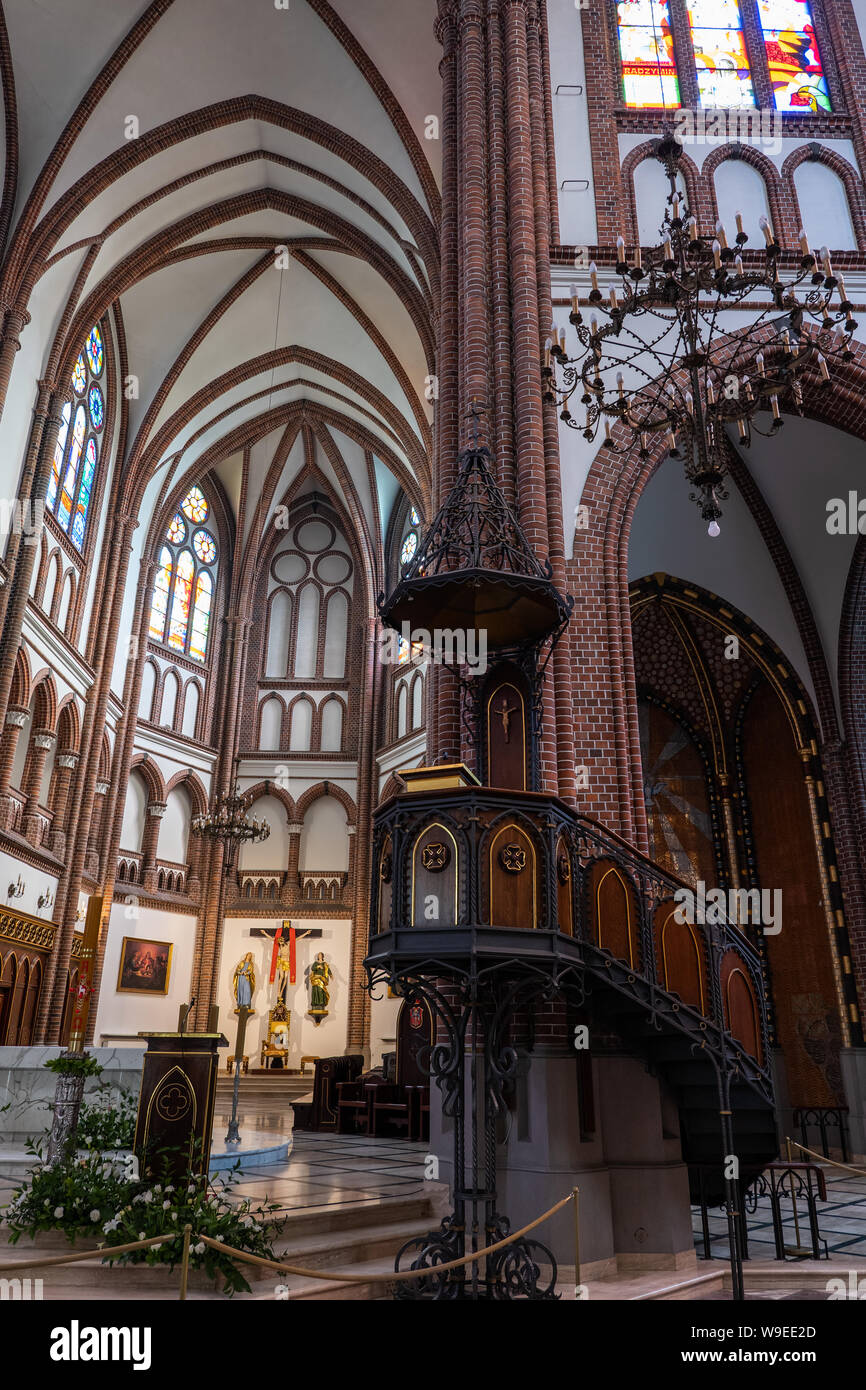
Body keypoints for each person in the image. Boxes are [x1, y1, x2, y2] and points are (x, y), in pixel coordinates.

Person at [308, 952, 332, 1022]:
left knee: (321, 991)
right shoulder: (316, 963)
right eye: (319, 955)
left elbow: (328, 970)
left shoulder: (325, 964)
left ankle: (321, 1003)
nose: (320, 956)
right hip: (315, 979)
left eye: (321, 955)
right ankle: (315, 1003)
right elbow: (312, 968)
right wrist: (318, 967)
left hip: (322, 979)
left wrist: (331, 975)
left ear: (322, 956)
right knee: (315, 991)